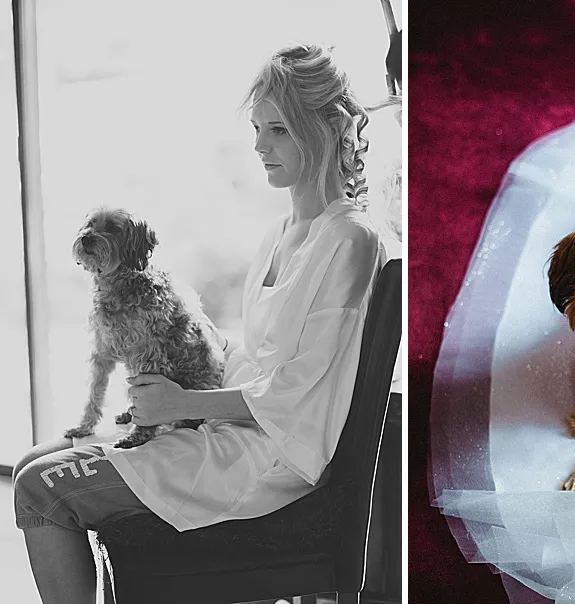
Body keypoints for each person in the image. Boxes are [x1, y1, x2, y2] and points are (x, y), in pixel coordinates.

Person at [12, 43, 389, 604]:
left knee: (37, 488)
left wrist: (181, 406)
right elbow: (258, 358)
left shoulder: (350, 242)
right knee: (31, 460)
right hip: (234, 426)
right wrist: (186, 332)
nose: (259, 146)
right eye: (258, 129)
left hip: (271, 459)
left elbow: (300, 396)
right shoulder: (281, 233)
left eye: (278, 130)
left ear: (330, 129)